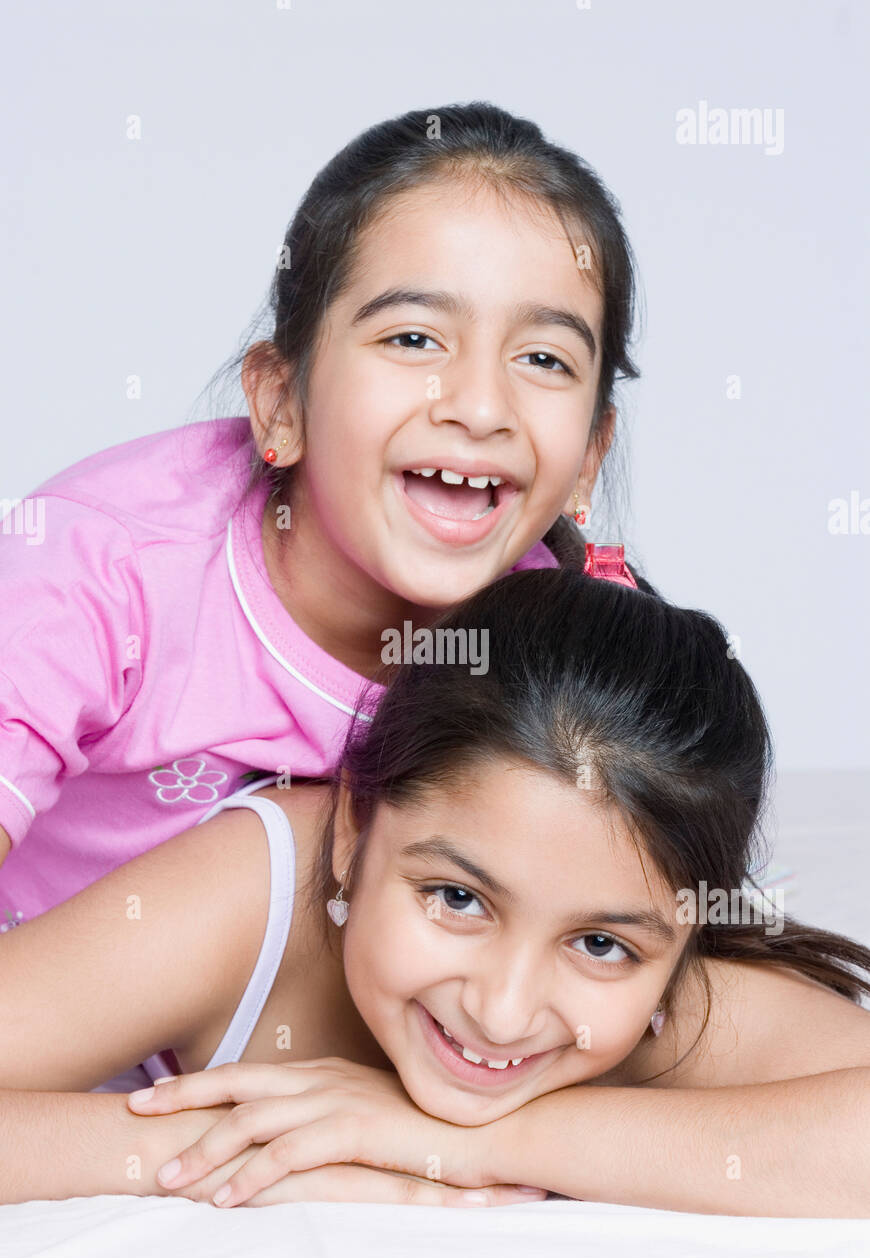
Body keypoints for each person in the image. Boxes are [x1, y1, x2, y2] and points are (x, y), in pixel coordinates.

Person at [0, 101, 650, 979]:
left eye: (543, 359)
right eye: (414, 338)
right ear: (281, 402)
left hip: (333, 1056)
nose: (482, 408)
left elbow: (659, 942)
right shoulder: (105, 571)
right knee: (294, 842)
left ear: (589, 459)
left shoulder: (575, 646)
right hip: (44, 1036)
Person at [2, 569, 868, 1216]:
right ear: (353, 831)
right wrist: (258, 1141)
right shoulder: (250, 894)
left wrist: (461, 1143)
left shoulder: (657, 991)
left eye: (599, 945)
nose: (501, 1010)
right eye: (457, 900)